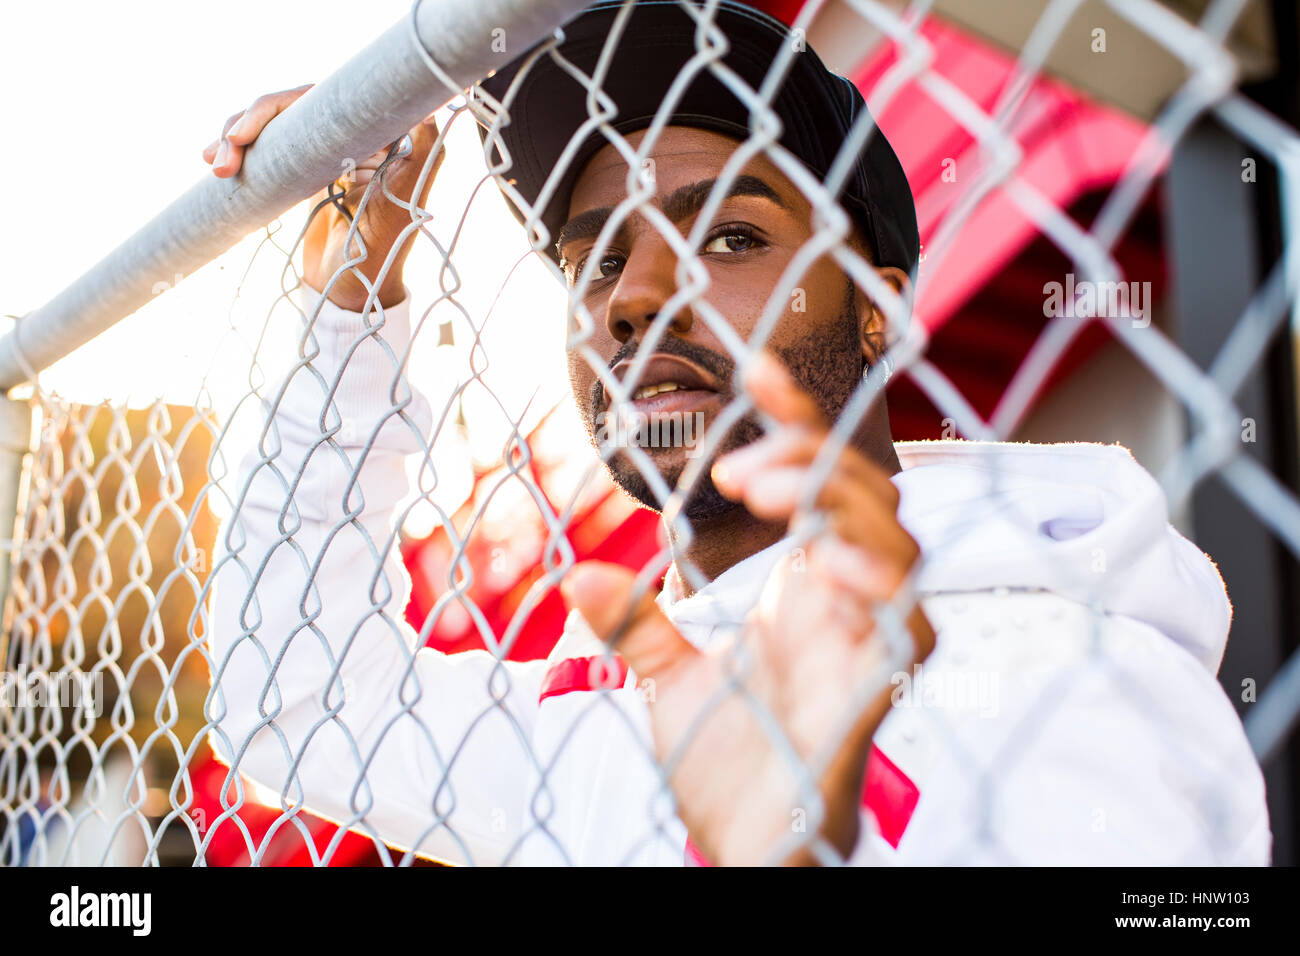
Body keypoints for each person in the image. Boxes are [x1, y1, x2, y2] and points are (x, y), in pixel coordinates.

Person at [202, 0, 1269, 865]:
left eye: (727, 233)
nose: (636, 298)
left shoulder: (1075, 678)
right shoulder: (601, 700)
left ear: (875, 305)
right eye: (600, 258)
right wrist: (349, 300)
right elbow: (290, 694)